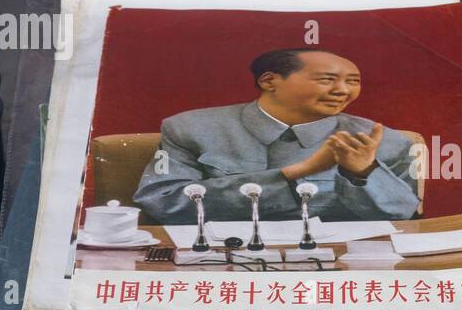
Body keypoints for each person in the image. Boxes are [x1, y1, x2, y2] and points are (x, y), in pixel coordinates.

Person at [133, 48, 421, 224]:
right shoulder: (190, 128)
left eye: (353, 82)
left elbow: (404, 217)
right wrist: (297, 173)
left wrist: (362, 173)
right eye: (327, 79)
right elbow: (161, 200)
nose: (343, 91)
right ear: (269, 81)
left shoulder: (382, 140)